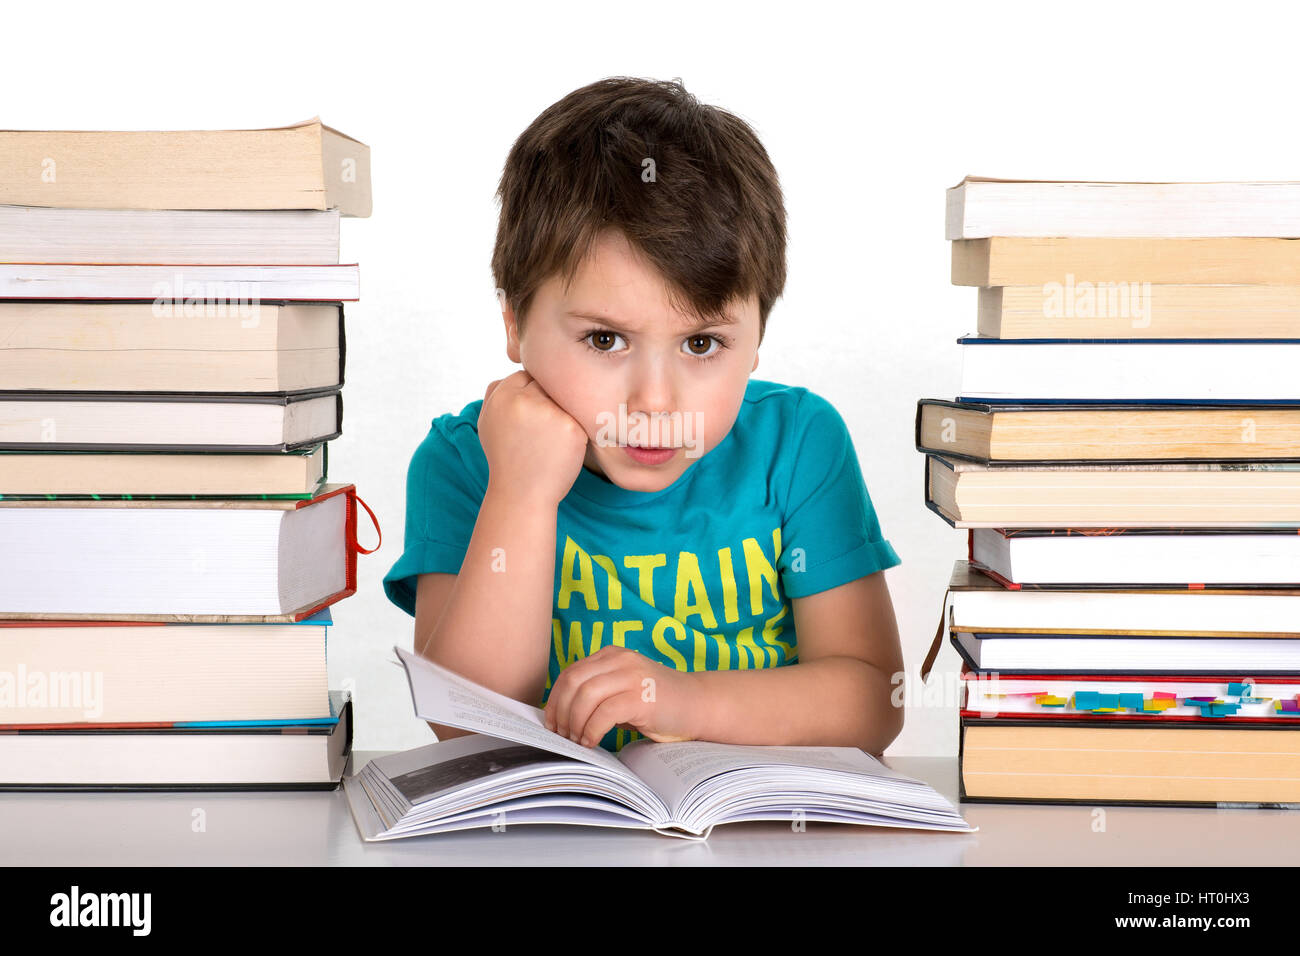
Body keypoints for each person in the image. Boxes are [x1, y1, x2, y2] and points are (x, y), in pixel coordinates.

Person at [383, 76, 904, 756]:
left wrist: (686, 700)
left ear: (758, 338)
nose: (655, 402)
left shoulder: (798, 444)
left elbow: (873, 700)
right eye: (605, 340)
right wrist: (521, 492)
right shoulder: (467, 462)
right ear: (515, 325)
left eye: (701, 344)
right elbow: (469, 724)